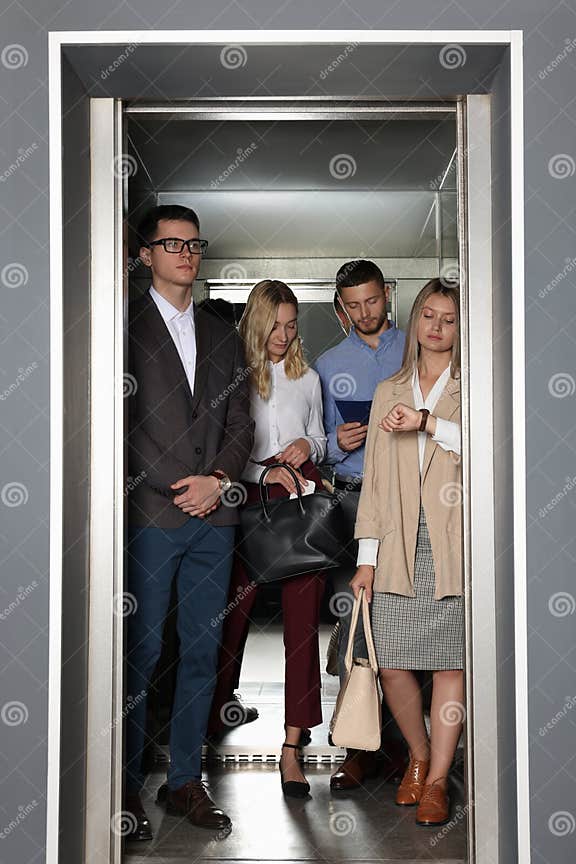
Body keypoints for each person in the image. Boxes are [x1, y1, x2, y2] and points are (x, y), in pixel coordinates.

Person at [124, 204, 254, 839]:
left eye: (193, 242)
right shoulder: (121, 325)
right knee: (142, 651)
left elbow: (242, 425)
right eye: (170, 243)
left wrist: (221, 483)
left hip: (215, 521)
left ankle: (183, 783)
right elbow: (122, 425)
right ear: (145, 254)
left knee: (202, 651)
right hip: (152, 513)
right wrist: (178, 487)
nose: (185, 252)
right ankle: (122, 787)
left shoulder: (223, 332)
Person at [208, 279, 327, 798]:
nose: (283, 334)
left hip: (303, 507)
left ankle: (293, 747)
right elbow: (223, 447)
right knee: (231, 615)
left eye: (291, 323)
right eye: (274, 324)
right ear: (255, 322)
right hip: (248, 505)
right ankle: (214, 713)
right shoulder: (233, 376)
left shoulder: (309, 377)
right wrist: (263, 473)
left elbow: (320, 439)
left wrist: (307, 444)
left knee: (303, 629)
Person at [351, 278, 463, 827]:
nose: (438, 327)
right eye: (429, 316)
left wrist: (430, 422)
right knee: (391, 662)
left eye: (449, 318)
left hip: (453, 545)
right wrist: (365, 559)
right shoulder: (387, 392)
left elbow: (486, 446)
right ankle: (417, 756)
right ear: (415, 320)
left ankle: (439, 780)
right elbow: (373, 480)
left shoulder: (474, 387)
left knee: (449, 663)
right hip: (395, 543)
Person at [314, 260, 405, 791]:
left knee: (408, 621)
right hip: (351, 502)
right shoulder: (327, 363)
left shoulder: (414, 348)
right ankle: (357, 748)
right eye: (353, 305)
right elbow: (320, 441)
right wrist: (337, 444)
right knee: (355, 626)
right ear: (341, 308)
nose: (364, 312)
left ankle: (403, 747)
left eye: (372, 301)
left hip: (410, 504)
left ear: (387, 295)